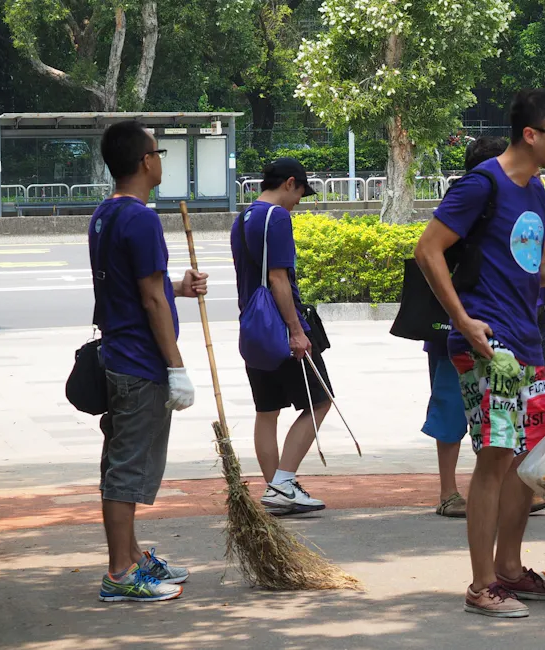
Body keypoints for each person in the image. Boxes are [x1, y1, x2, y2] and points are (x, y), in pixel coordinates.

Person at [414, 88, 545, 619]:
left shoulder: (535, 191)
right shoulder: (482, 185)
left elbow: (542, 267)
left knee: (528, 462)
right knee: (496, 456)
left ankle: (509, 568)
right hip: (488, 343)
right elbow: (428, 249)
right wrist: (462, 320)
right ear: (531, 134)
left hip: (527, 340)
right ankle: (481, 586)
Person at [90, 120, 207, 602]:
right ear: (145, 161)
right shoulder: (141, 218)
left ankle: (134, 556)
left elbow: (143, 289)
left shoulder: (107, 213)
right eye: (157, 151)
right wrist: (176, 366)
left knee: (122, 462)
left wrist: (177, 286)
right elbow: (150, 301)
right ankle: (120, 573)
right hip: (139, 363)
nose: (160, 158)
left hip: (118, 354)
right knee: (127, 469)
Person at [230, 158, 335, 517]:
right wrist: (296, 330)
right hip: (280, 327)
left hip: (253, 328)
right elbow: (278, 279)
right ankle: (283, 483)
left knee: (267, 410)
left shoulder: (243, 217)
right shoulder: (276, 218)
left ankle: (277, 486)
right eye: (301, 193)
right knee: (320, 401)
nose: (299, 202)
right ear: (290, 183)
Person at [426, 136, 509, 518]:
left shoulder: (515, 201)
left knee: (501, 411)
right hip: (454, 327)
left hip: (501, 325)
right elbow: (430, 252)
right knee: (450, 405)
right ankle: (448, 492)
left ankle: (498, 488)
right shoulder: (466, 200)